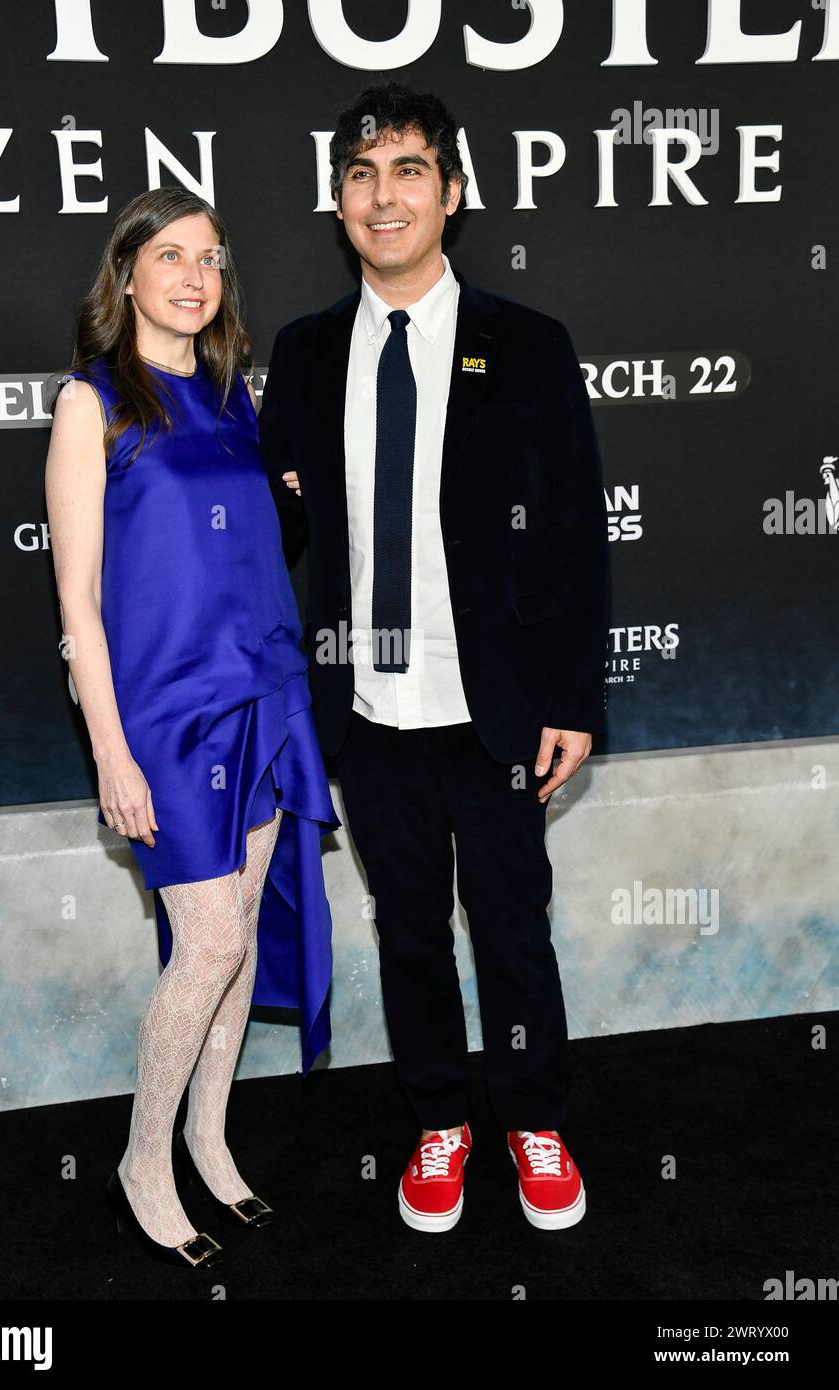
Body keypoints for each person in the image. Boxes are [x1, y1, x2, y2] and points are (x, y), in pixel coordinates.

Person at [259, 83, 611, 1234]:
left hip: (495, 706)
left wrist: (569, 695)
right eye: (360, 175)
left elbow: (569, 532)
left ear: (451, 194)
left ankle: (533, 1118)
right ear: (338, 202)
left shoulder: (528, 344)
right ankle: (437, 1124)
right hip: (365, 709)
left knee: (511, 923)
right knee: (406, 927)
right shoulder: (306, 357)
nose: (383, 194)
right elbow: (275, 534)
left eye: (408, 169)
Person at [45, 186, 339, 1269]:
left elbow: (258, 550)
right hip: (161, 718)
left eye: (211, 258)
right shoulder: (94, 403)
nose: (193, 276)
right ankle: (142, 1158)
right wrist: (110, 750)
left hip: (261, 694)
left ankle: (211, 1139)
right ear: (126, 274)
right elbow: (77, 602)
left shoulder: (232, 398)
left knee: (242, 931)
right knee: (206, 938)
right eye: (169, 255)